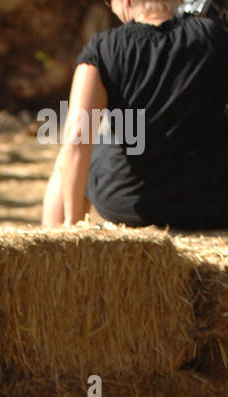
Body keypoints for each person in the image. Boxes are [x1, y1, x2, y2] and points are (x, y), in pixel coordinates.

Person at [42, 0, 228, 229]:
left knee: (70, 156)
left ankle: (59, 241)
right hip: (210, 204)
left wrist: (74, 229)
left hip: (127, 203)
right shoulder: (215, 36)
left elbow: (76, 139)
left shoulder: (103, 48)